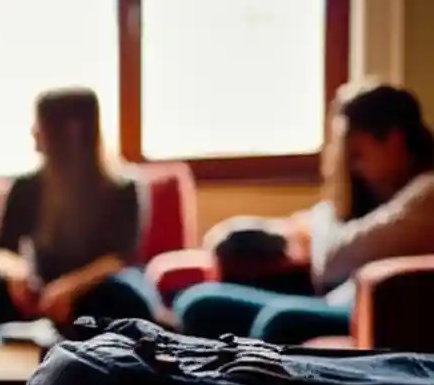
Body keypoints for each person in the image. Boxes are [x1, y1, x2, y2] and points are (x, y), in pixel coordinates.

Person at [175, 81, 434, 344]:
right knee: (200, 303)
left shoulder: (427, 194)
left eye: (357, 155)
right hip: (334, 299)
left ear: (394, 140)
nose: (354, 168)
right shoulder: (388, 192)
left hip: (362, 310)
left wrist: (324, 215)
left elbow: (332, 261)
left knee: (280, 322)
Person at [0, 88, 162, 330]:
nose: (33, 132)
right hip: (42, 286)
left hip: (96, 283)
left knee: (122, 296)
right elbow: (1, 249)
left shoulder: (123, 188)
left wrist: (69, 288)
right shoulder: (26, 186)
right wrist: (17, 274)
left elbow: (119, 257)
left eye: (40, 123)